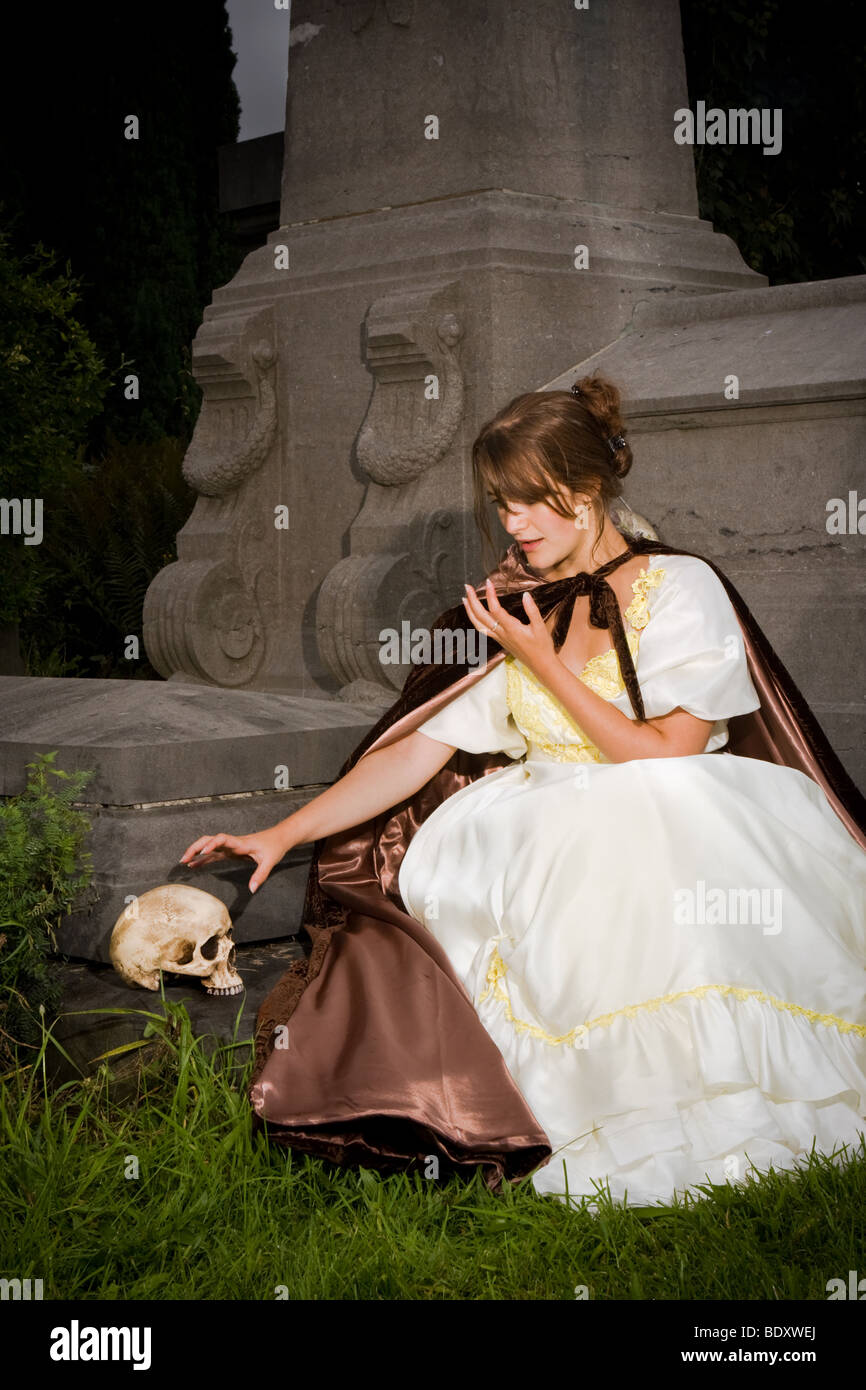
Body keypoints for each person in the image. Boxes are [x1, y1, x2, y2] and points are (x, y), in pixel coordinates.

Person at [179, 375, 866, 1210]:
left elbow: (665, 754)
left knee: (654, 838)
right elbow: (413, 752)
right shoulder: (513, 601)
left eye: (531, 502)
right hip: (538, 821)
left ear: (586, 491)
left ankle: (699, 1099)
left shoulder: (681, 590)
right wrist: (282, 834)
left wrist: (542, 663)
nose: (512, 524)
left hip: (679, 820)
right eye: (501, 503)